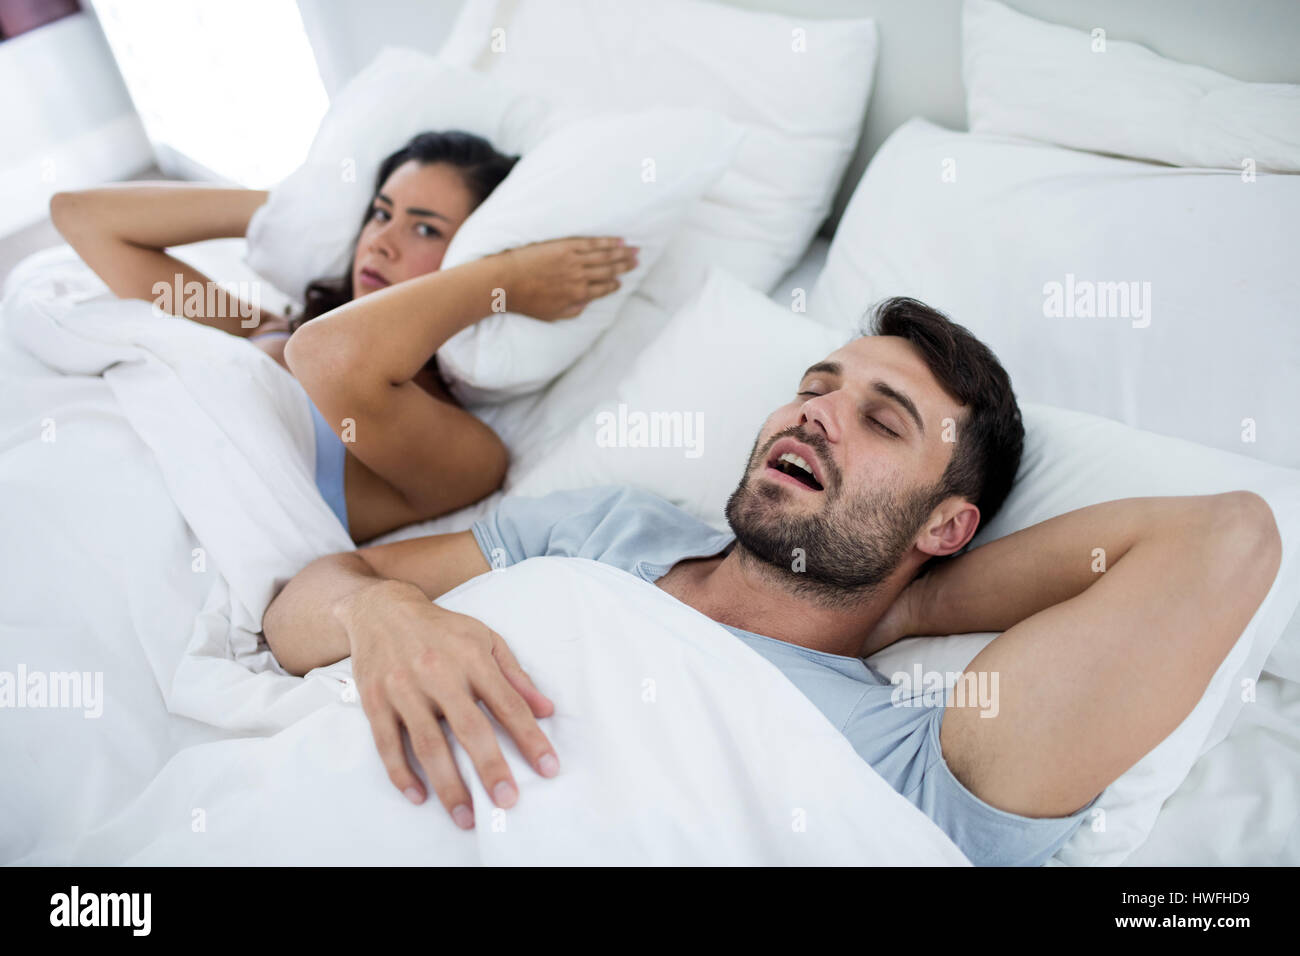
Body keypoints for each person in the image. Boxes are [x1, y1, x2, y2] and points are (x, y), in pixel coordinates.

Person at [260, 296, 1281, 865]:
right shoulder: (606, 529)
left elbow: (1228, 538)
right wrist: (384, 612)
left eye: (881, 421)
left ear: (948, 523)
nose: (814, 414)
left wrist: (908, 604)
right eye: (813, 388)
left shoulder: (913, 764)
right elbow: (297, 611)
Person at [49, 131, 639, 543]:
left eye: (426, 228)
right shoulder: (271, 327)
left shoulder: (471, 455)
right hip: (93, 464)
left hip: (144, 529)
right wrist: (300, 212)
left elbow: (330, 356)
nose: (380, 242)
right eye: (380, 213)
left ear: (471, 254)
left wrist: (505, 278)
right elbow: (82, 217)